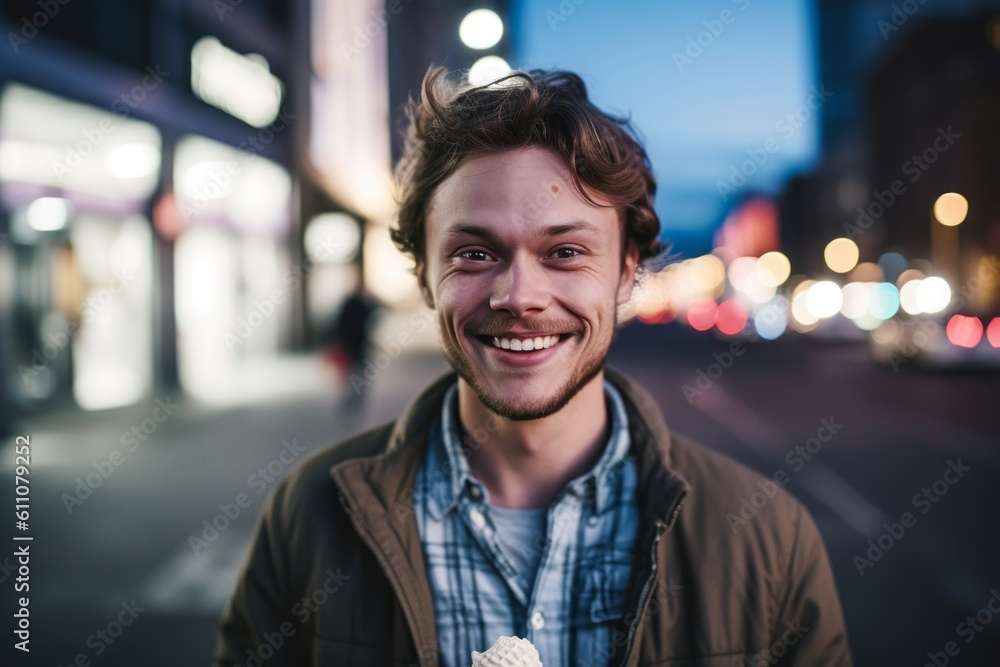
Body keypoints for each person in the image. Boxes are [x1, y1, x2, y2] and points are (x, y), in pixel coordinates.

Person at [215, 68, 853, 666]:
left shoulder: (769, 538)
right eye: (473, 253)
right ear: (425, 278)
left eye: (566, 251)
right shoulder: (307, 516)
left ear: (627, 271)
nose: (519, 296)